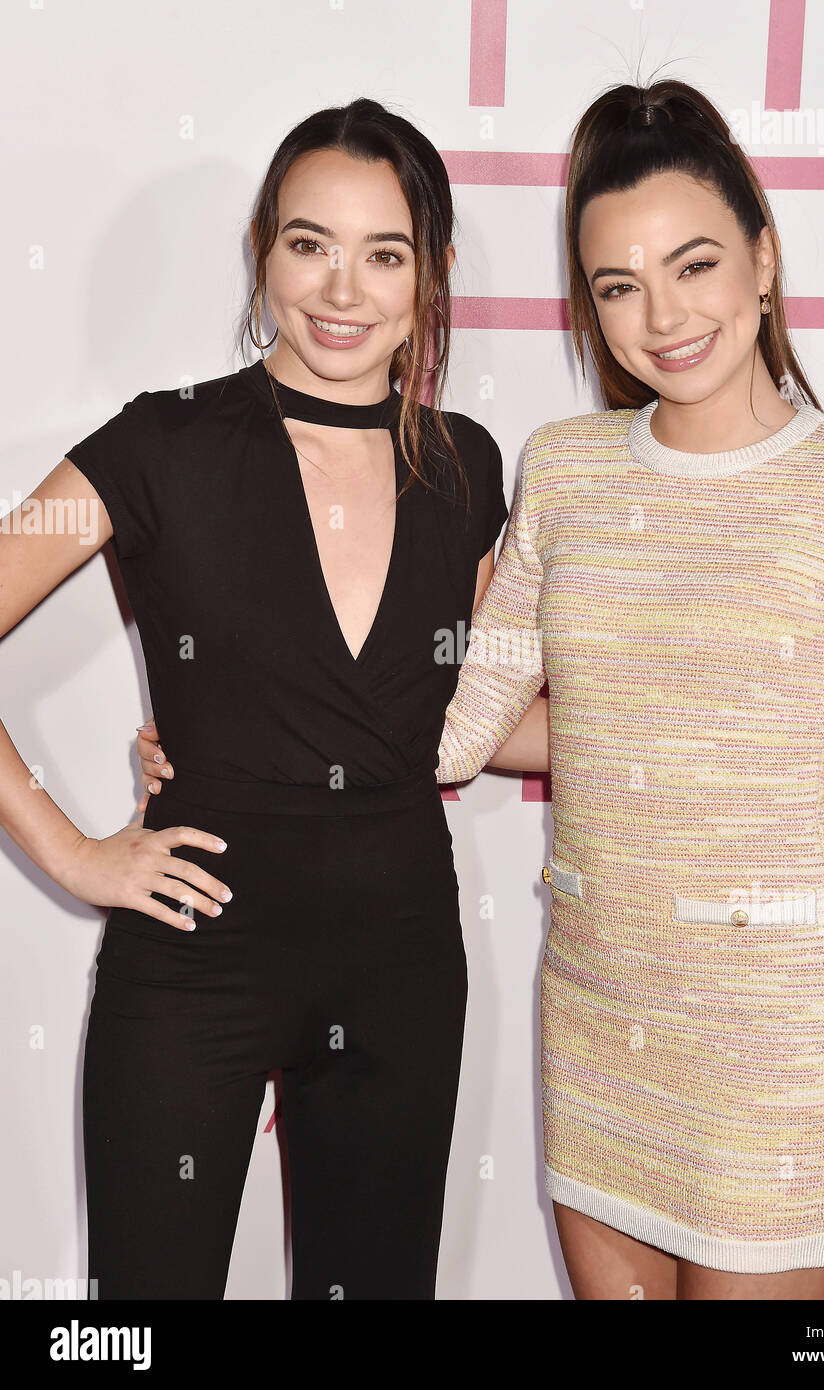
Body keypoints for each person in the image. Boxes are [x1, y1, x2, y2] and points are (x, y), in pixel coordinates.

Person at [432, 78, 824, 1300]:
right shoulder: (563, 472)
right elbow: (458, 729)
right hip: (598, 1016)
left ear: (762, 258)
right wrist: (223, 730)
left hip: (774, 1037)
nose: (660, 317)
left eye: (692, 266)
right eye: (618, 287)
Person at [0, 98, 545, 1300]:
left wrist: (709, 718)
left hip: (401, 968)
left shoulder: (465, 464)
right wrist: (72, 852)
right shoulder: (162, 444)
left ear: (429, 277)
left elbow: (477, 720)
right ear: (263, 252)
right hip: (193, 968)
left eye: (384, 252)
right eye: (309, 243)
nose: (341, 287)